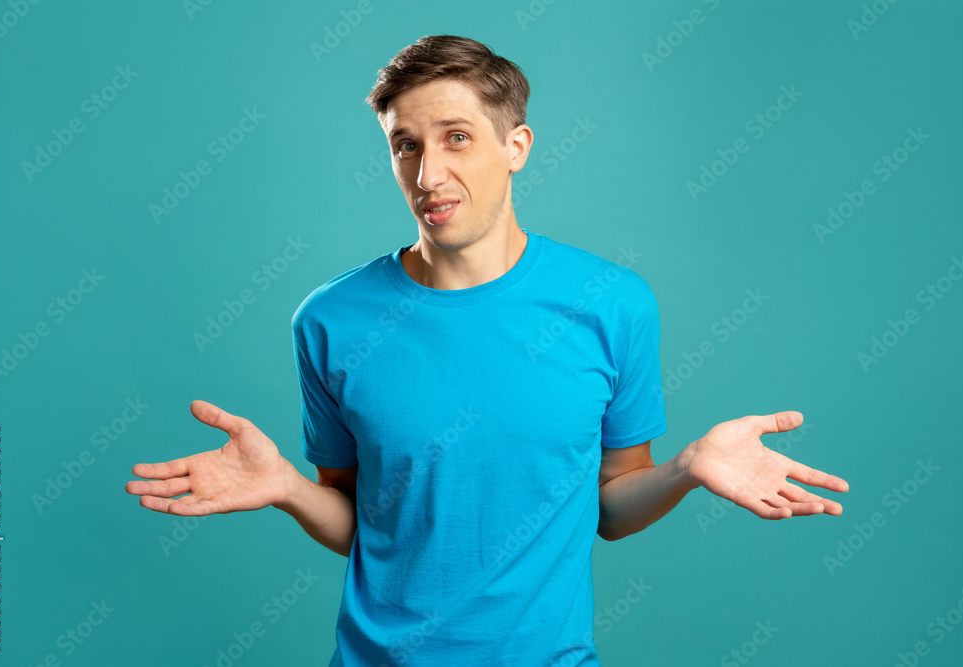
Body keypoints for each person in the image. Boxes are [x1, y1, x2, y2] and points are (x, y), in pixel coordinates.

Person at [125, 35, 849, 666]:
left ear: (516, 147)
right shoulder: (329, 320)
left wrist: (686, 469)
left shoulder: (613, 303)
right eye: (406, 145)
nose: (428, 175)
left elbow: (611, 504)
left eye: (456, 137)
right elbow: (367, 522)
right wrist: (288, 488)